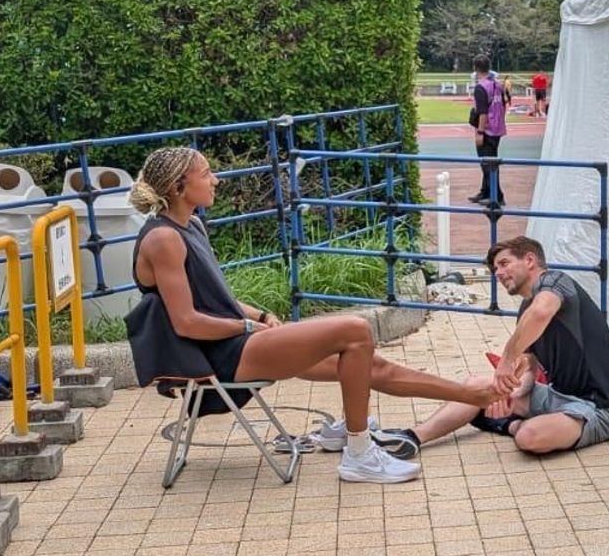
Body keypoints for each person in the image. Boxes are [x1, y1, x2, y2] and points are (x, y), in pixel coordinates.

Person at [126, 147, 499, 483]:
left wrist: (261, 313)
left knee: (368, 361)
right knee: (354, 330)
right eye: (206, 173)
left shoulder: (191, 224)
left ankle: (470, 394)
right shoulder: (164, 239)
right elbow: (186, 321)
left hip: (238, 342)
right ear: (179, 185)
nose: (216, 180)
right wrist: (246, 326)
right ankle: (358, 453)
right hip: (218, 357)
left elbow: (212, 297)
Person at [412, 236, 609, 454]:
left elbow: (541, 312)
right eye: (495, 268)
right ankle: (412, 437)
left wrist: (505, 360)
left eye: (504, 263)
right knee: (474, 385)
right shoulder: (526, 308)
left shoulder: (556, 281)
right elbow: (529, 367)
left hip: (597, 408)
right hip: (555, 397)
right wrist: (509, 392)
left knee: (528, 436)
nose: (498, 273)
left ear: (530, 260)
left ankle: (507, 424)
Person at [469, 56, 507, 207]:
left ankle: (496, 196)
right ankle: (485, 191)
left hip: (487, 130)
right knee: (488, 162)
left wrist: (480, 132)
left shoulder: (481, 87)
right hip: (497, 128)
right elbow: (503, 105)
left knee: (488, 164)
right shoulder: (497, 85)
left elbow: (483, 112)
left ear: (476, 68)